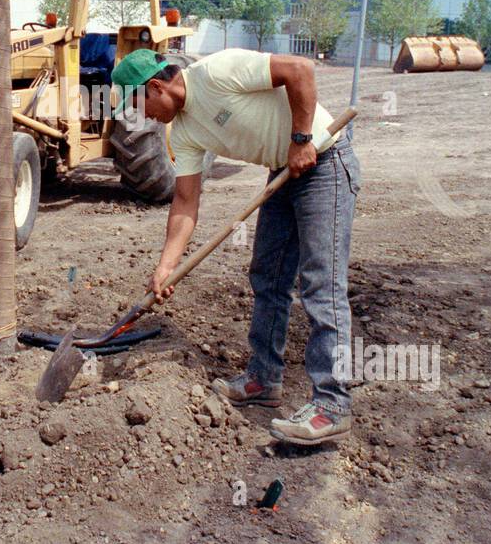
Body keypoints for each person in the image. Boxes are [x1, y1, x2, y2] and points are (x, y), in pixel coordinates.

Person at [111, 47, 361, 446]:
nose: (144, 118)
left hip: (324, 163)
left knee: (321, 283)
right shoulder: (187, 131)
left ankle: (331, 404)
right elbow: (185, 202)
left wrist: (300, 140)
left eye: (140, 106)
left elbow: (301, 69)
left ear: (156, 86)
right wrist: (165, 266)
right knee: (268, 276)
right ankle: (264, 379)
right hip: (285, 170)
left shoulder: (217, 72)